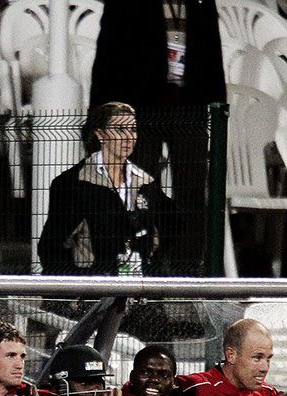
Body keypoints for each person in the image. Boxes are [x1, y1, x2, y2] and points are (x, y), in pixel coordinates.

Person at [88, 0, 224, 273]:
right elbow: (107, 56)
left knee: (192, 193)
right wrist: (99, 114)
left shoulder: (200, 3)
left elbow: (213, 52)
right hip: (143, 108)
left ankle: (187, 271)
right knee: (140, 190)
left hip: (189, 107)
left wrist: (218, 104)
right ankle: (141, 265)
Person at [38, 102, 165, 276]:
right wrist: (74, 292)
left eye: (133, 129)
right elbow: (52, 246)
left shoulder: (146, 183)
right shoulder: (72, 183)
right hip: (90, 287)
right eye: (120, 130)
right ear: (101, 135)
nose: (128, 137)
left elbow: (156, 241)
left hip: (136, 284)